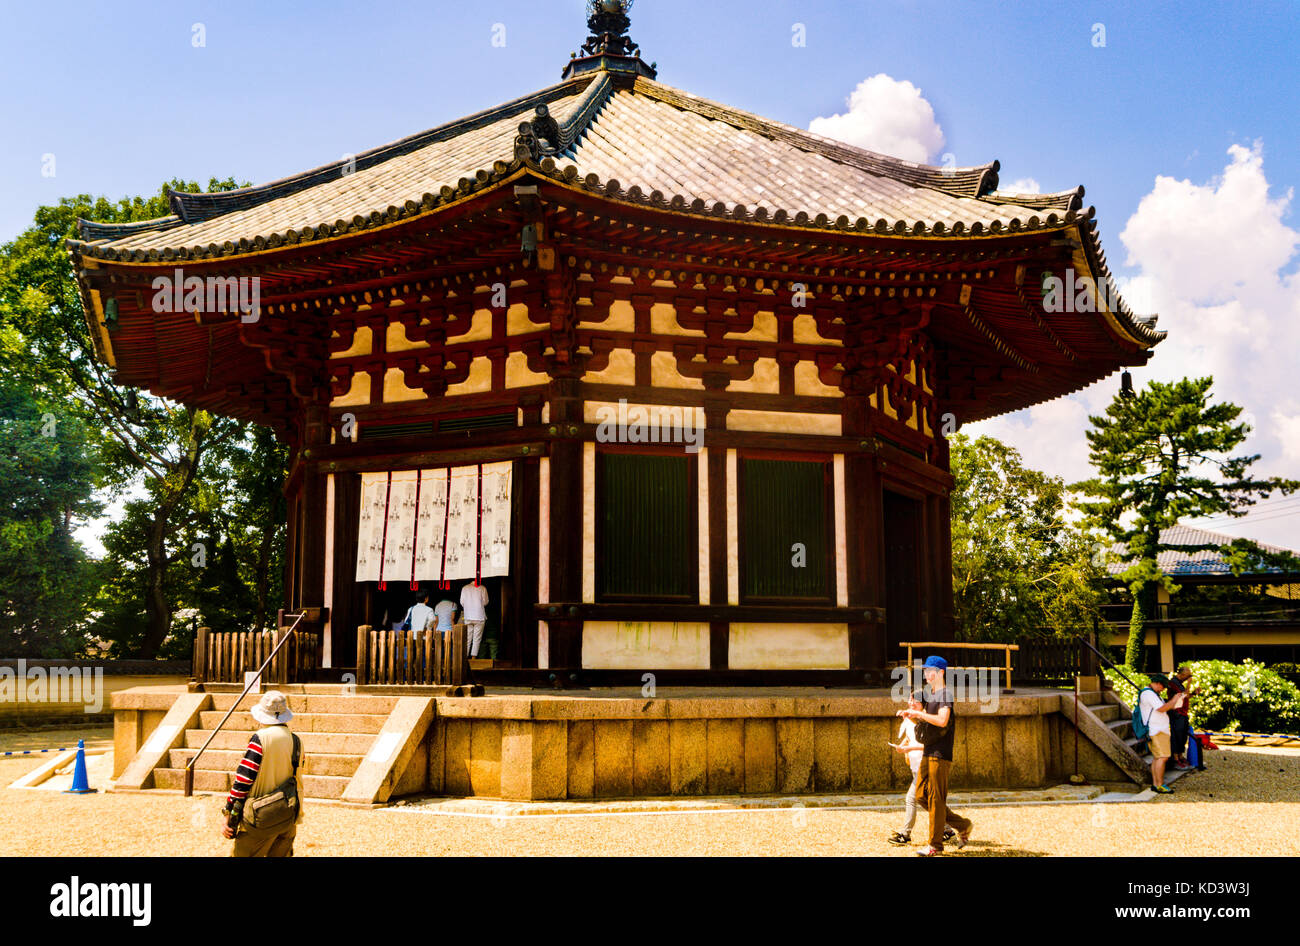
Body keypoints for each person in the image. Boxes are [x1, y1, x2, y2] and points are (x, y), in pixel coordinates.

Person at [900, 656, 973, 856]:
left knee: (936, 799)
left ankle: (935, 845)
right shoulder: (932, 694)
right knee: (921, 795)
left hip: (940, 753)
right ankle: (962, 824)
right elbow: (930, 725)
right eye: (925, 670)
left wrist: (920, 715)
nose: (926, 674)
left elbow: (942, 720)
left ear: (941, 672)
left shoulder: (944, 694)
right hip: (928, 751)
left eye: (930, 670)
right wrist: (913, 715)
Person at [221, 690, 303, 857]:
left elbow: (243, 780)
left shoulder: (260, 739)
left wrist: (228, 812)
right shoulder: (296, 740)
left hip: (259, 817)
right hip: (288, 815)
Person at [888, 690, 956, 847]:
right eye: (910, 700)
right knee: (930, 800)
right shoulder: (911, 718)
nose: (911, 703)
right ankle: (947, 829)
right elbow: (910, 737)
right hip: (916, 766)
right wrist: (903, 745)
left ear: (923, 704)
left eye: (914, 701)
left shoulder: (928, 719)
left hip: (925, 765)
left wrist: (909, 748)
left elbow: (929, 745)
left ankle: (905, 834)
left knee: (912, 798)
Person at [1139, 673, 1186, 794]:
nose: (1163, 689)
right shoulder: (1148, 694)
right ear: (1157, 684)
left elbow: (1167, 707)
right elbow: (1162, 708)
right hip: (1157, 729)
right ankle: (1159, 784)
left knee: (1158, 757)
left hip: (1159, 729)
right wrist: (1174, 699)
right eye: (1163, 686)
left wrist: (1177, 700)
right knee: (1163, 757)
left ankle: (1156, 784)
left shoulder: (1153, 694)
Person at [1165, 666, 1196, 769]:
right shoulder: (1173, 683)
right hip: (1176, 713)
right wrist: (1189, 684)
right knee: (1176, 735)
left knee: (1183, 736)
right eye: (1188, 676)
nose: (1188, 678)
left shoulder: (1180, 683)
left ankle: (1180, 756)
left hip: (1183, 713)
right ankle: (1175, 758)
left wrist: (1194, 693)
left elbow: (1186, 696)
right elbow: (1183, 695)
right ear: (1182, 674)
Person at [460, 580, 489, 657]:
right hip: (479, 616)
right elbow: (486, 602)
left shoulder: (464, 588)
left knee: (467, 638)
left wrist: (468, 606)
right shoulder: (482, 588)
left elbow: (462, 602)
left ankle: (465, 657)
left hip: (468, 616)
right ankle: (473, 658)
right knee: (477, 639)